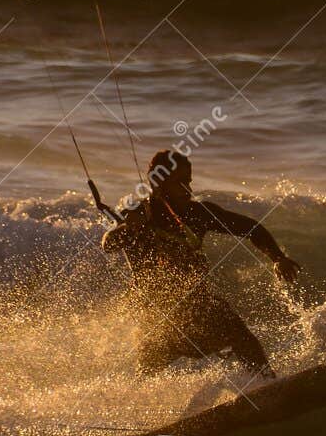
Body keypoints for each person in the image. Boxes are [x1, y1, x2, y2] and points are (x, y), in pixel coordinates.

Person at [102, 149, 299, 377]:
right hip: (158, 319)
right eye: (180, 183)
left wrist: (277, 257)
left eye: (189, 181)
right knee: (146, 372)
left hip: (199, 310)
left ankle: (266, 384)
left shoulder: (197, 214)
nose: (189, 189)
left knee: (237, 331)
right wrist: (128, 228)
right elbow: (109, 243)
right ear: (158, 184)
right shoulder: (141, 217)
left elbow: (250, 227)